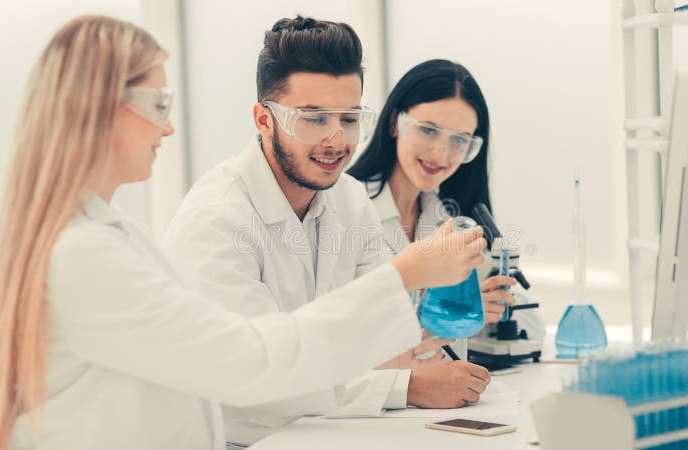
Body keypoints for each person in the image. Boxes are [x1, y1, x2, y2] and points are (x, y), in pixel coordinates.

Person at [0, 16, 486, 450]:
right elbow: (254, 365)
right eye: (158, 105)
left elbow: (368, 349)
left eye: (350, 118)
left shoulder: (111, 236)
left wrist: (406, 319)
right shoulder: (102, 251)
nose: (169, 129)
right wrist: (403, 278)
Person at [164, 17, 492, 447]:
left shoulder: (348, 199)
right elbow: (257, 382)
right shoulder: (215, 221)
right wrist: (407, 386)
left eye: (349, 118)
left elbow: (382, 346)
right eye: (314, 119)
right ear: (264, 119)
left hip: (327, 434)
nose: (337, 140)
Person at [347, 59, 547, 358]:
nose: (441, 153)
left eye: (459, 140)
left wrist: (480, 311)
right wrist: (445, 313)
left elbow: (532, 325)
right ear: (393, 124)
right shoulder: (346, 206)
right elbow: (340, 335)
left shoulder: (449, 219)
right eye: (428, 130)